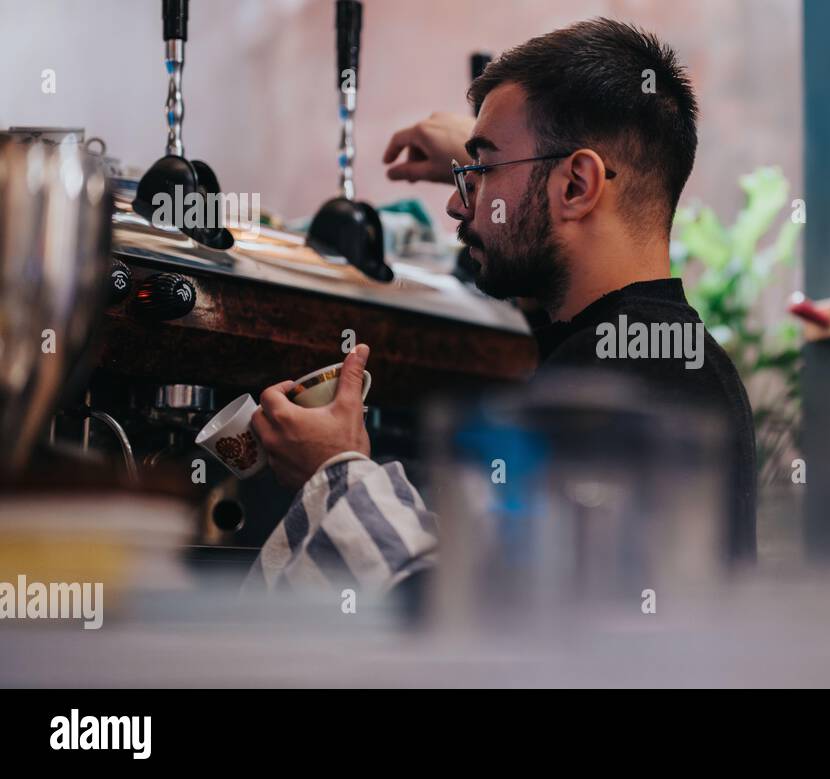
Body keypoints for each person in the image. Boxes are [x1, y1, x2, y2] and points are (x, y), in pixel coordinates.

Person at [244, 18, 756, 593]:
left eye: (481, 171)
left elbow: (480, 624)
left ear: (576, 186)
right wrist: (493, 162)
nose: (458, 208)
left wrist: (333, 473)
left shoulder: (622, 381)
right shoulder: (653, 349)